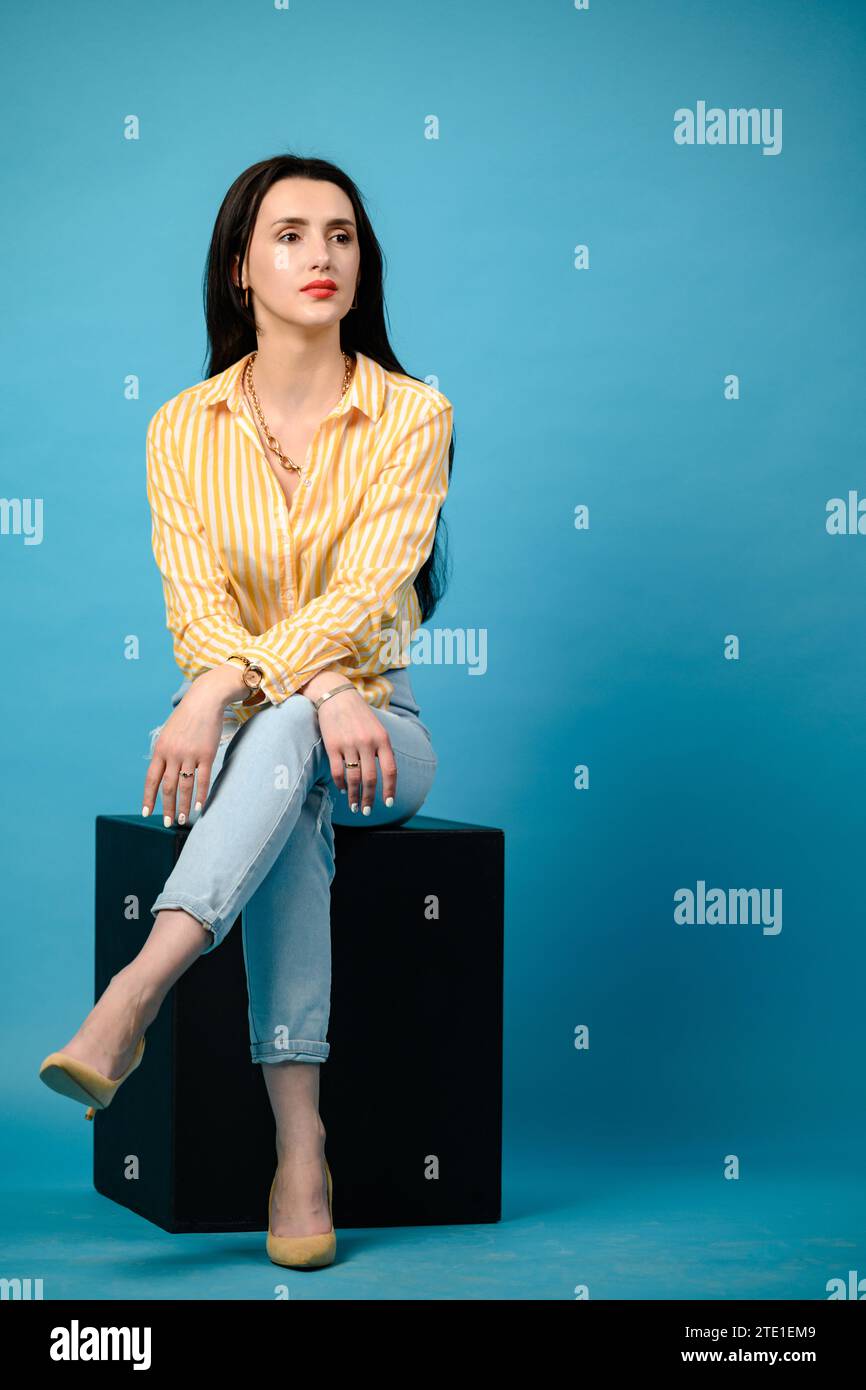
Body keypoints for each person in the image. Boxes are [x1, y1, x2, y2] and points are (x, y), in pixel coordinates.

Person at [38, 153, 455, 1270]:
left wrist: (260, 687)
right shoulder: (181, 427)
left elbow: (372, 590)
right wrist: (279, 687)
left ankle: (134, 992)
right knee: (283, 750)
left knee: (292, 729)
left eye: (340, 236)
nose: (319, 256)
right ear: (239, 270)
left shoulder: (415, 415)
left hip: (382, 731)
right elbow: (196, 607)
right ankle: (300, 1151)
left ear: (361, 268)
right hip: (263, 742)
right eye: (288, 235)